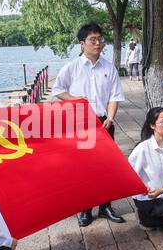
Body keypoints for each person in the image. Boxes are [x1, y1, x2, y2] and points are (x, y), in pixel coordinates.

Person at [53, 22, 126, 227]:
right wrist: (74, 99)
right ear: (82, 43)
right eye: (93, 40)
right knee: (85, 168)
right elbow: (57, 89)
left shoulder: (108, 68)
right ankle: (85, 209)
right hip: (82, 123)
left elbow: (115, 96)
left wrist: (110, 118)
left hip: (104, 122)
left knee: (107, 167)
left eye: (100, 39)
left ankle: (105, 207)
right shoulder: (72, 67)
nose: (97, 43)